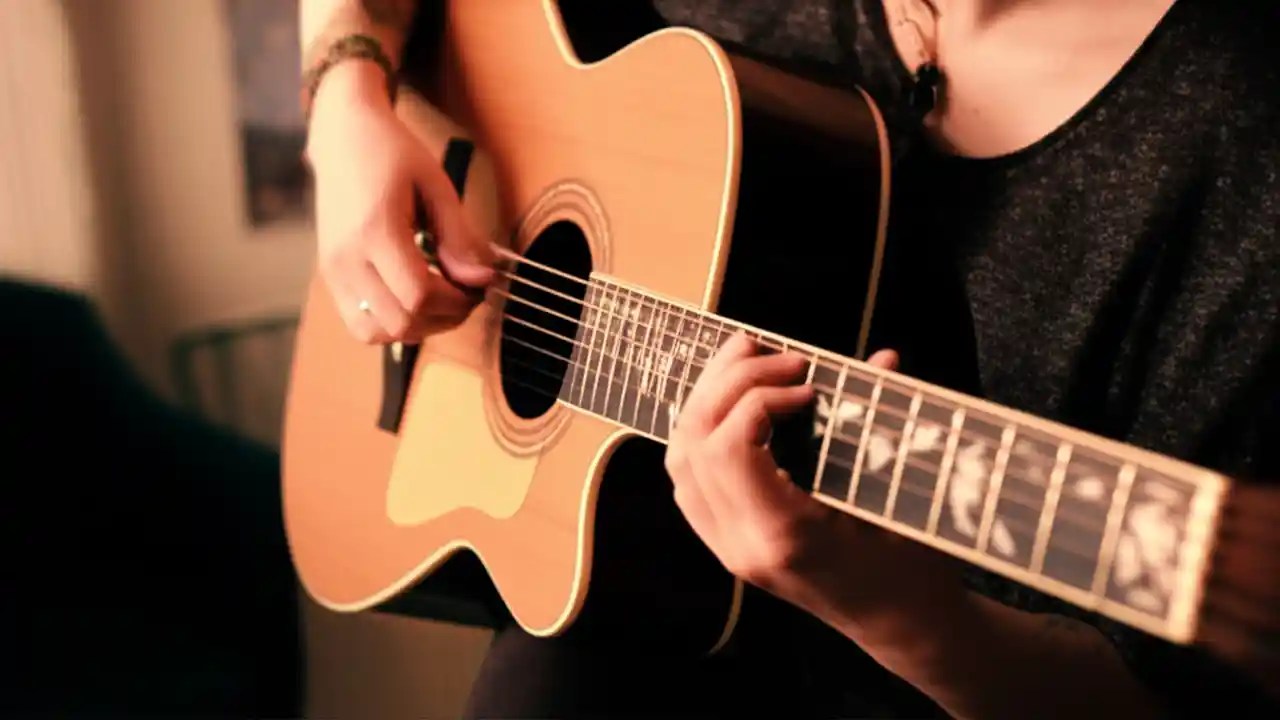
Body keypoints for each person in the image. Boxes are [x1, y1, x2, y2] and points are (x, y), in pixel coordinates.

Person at [298, 0, 1280, 717]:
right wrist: (345, 100)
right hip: (639, 609)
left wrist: (906, 614)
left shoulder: (1230, 129)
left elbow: (1170, 706)